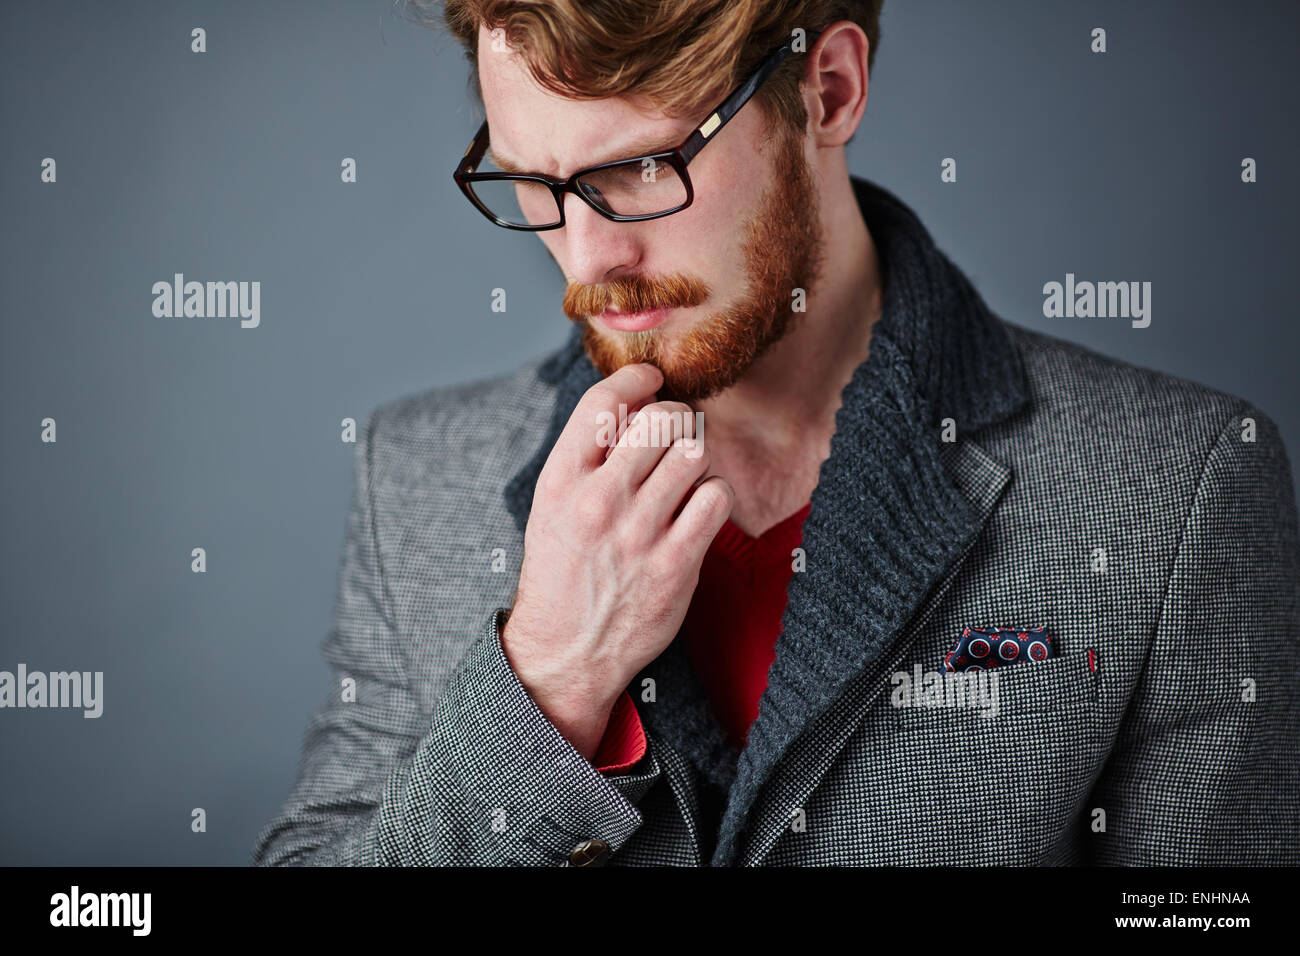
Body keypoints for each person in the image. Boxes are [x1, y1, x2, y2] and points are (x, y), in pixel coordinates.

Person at [253, 0, 1300, 866]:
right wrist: (548, 686)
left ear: (826, 89)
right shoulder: (415, 476)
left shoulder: (1179, 487)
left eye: (644, 168)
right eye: (535, 183)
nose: (586, 258)